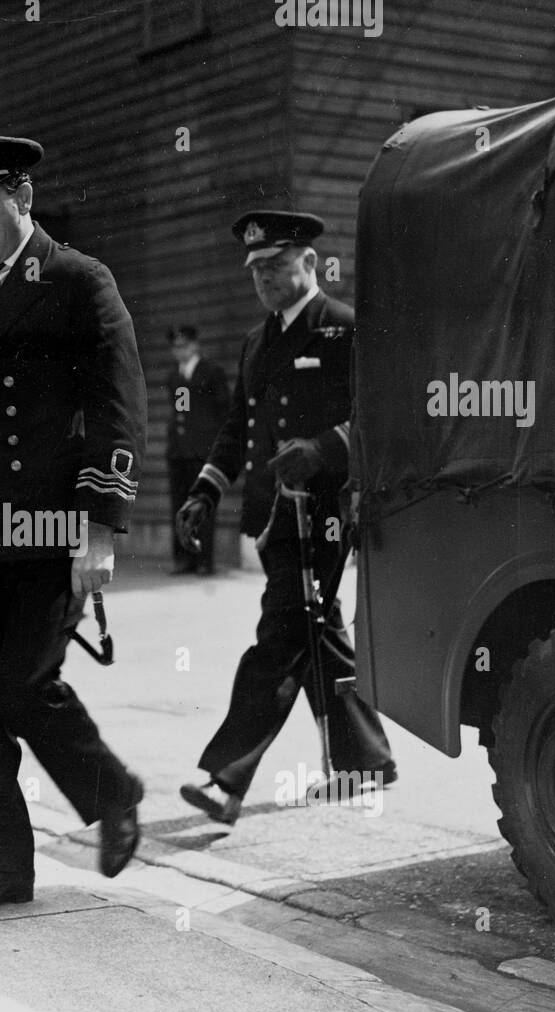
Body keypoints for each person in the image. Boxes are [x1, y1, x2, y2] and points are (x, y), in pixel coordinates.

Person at [0, 136, 148, 915]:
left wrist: (100, 527)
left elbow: (116, 406)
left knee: (23, 685)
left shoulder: (81, 282)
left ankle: (112, 793)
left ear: (24, 198)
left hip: (50, 530)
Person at [175, 210, 395, 825]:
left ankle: (227, 780)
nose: (264, 280)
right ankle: (364, 764)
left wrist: (325, 448)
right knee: (317, 631)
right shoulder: (257, 342)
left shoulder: (344, 328)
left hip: (323, 513)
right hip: (274, 517)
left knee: (280, 635)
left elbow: (385, 414)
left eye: (275, 266)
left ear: (309, 264)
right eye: (256, 271)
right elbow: (238, 429)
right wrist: (206, 490)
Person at [163, 325, 230, 575]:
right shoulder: (175, 377)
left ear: (195, 345)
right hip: (179, 452)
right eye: (175, 347)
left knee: (202, 505)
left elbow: (224, 411)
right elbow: (181, 411)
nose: (179, 351)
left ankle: (204, 561)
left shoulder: (211, 372)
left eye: (184, 345)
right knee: (179, 506)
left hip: (203, 452)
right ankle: (184, 559)